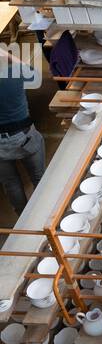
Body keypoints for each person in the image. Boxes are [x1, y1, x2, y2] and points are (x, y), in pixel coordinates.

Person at [0, 45, 45, 216]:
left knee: (11, 183)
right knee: (39, 178)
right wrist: (7, 54)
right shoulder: (14, 74)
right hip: (24, 136)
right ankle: (45, 215)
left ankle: (23, 220)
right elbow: (34, 76)